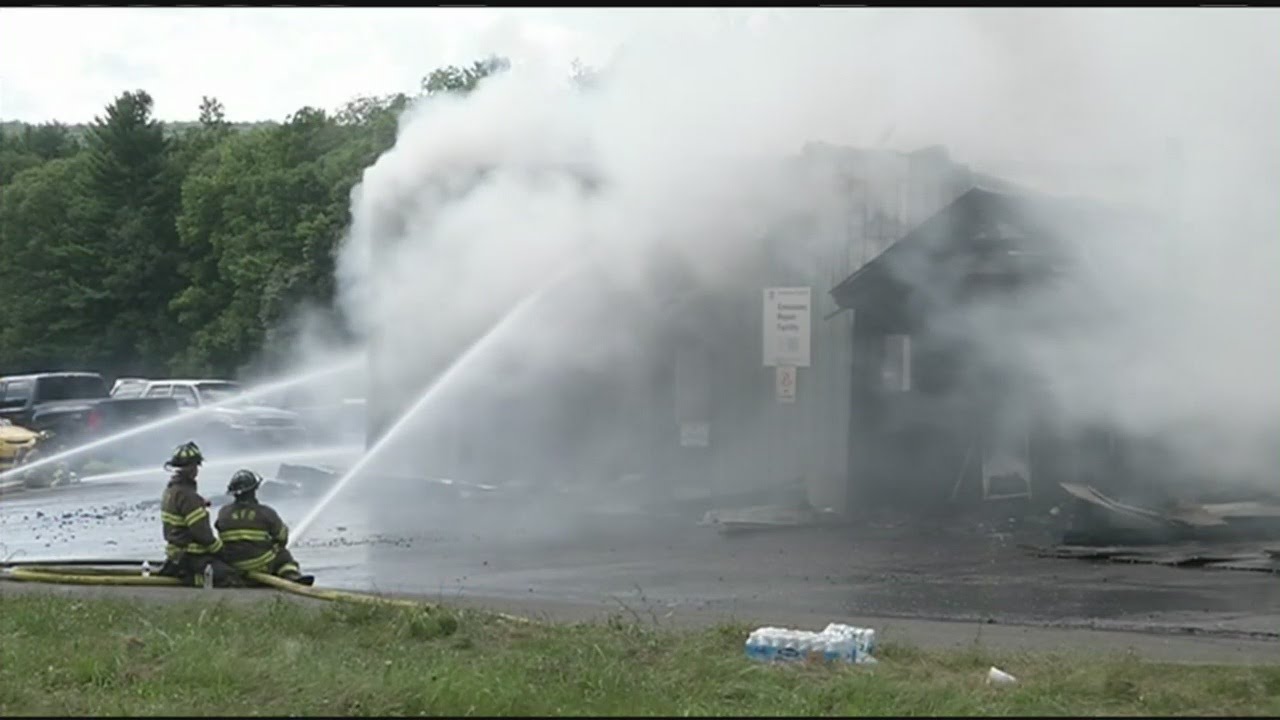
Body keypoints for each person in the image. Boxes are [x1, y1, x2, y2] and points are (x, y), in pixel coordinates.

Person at [156, 441, 243, 587]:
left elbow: (181, 512)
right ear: (192, 468)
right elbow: (202, 533)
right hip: (190, 556)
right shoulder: (188, 495)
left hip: (175, 554)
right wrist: (221, 550)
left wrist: (198, 504)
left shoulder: (172, 490)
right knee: (231, 577)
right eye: (196, 466)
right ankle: (191, 580)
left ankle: (182, 573)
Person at [215, 469, 314, 586]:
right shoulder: (266, 512)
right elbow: (282, 538)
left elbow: (219, 529)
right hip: (261, 565)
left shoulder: (223, 512)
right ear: (254, 490)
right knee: (282, 554)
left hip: (234, 564)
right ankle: (291, 576)